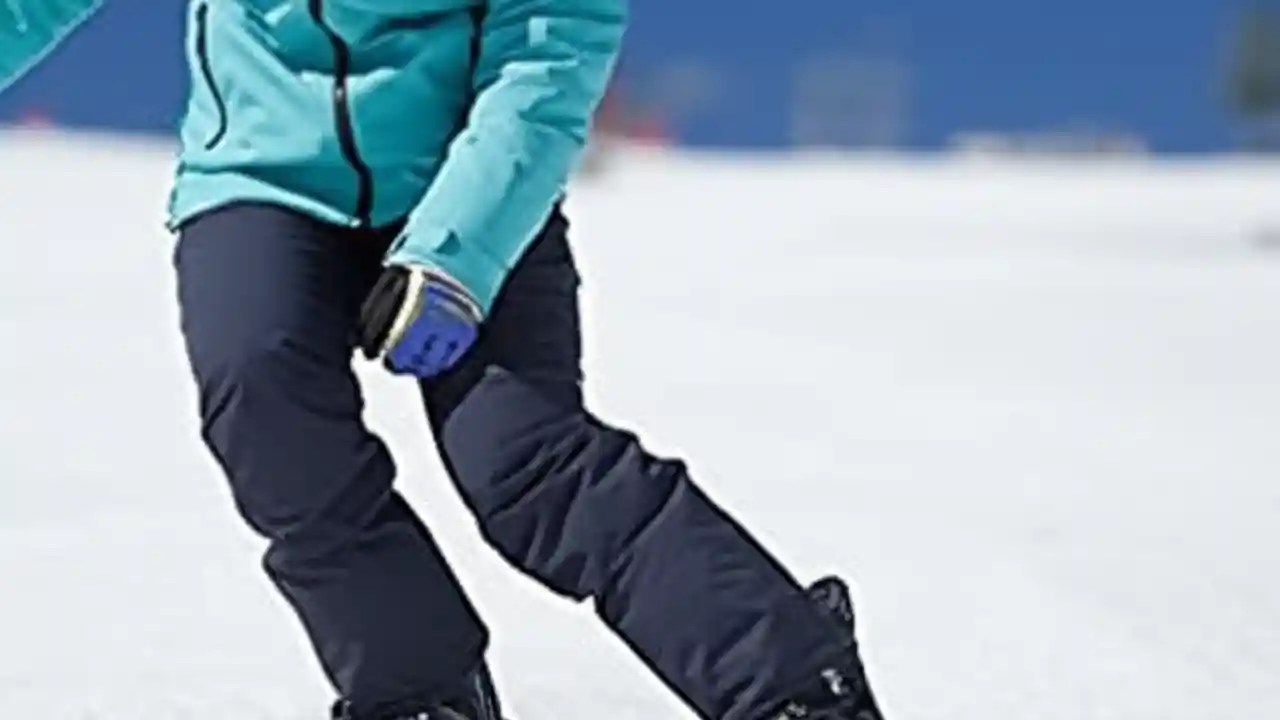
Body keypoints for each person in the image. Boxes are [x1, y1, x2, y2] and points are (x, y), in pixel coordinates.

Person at [1, 2, 887, 719]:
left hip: (469, 183)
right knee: (264, 403)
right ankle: (419, 694)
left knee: (525, 461)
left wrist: (456, 256)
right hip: (260, 185)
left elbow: (549, 50)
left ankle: (792, 688)